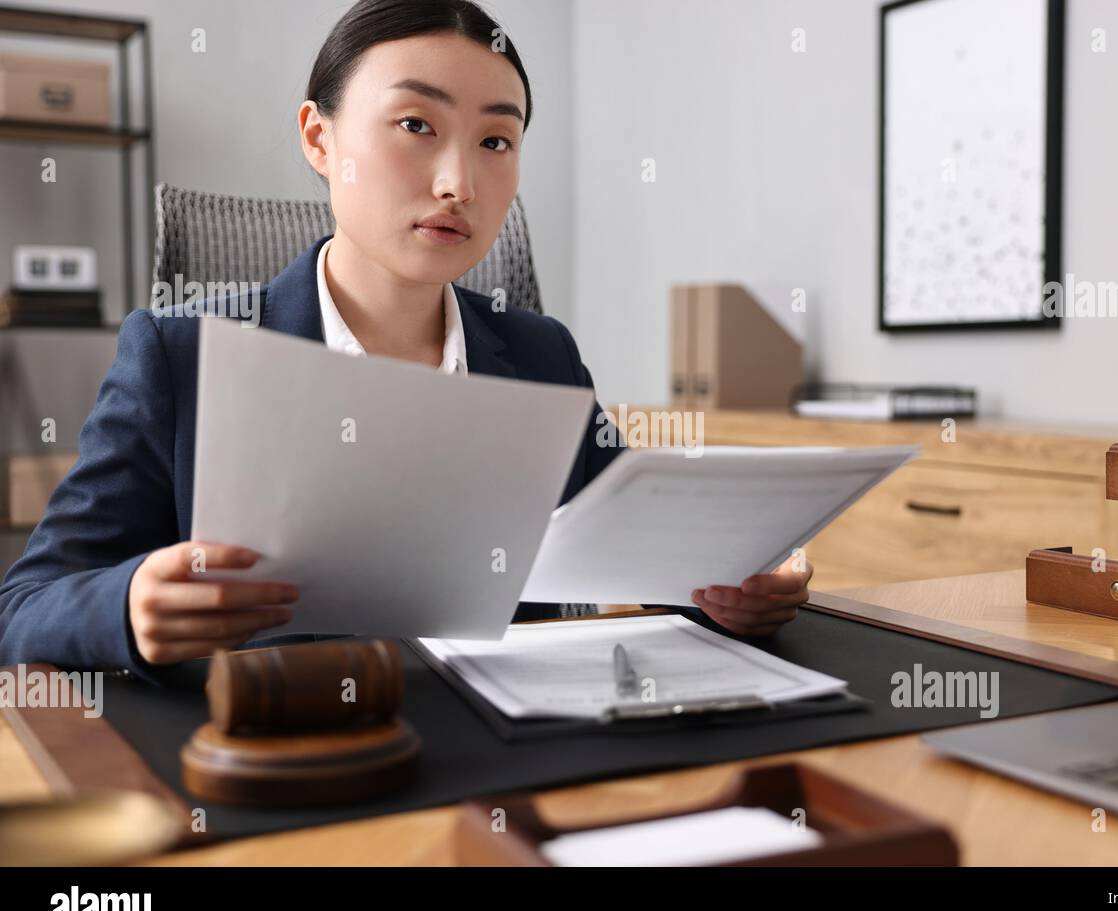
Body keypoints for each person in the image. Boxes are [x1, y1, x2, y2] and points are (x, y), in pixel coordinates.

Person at [0, 0, 812, 683]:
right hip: (283, 765)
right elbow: (25, 609)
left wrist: (734, 582)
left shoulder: (539, 357)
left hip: (510, 756)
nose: (458, 181)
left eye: (496, 141)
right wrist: (131, 605)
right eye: (416, 124)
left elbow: (638, 554)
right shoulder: (180, 356)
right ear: (320, 140)